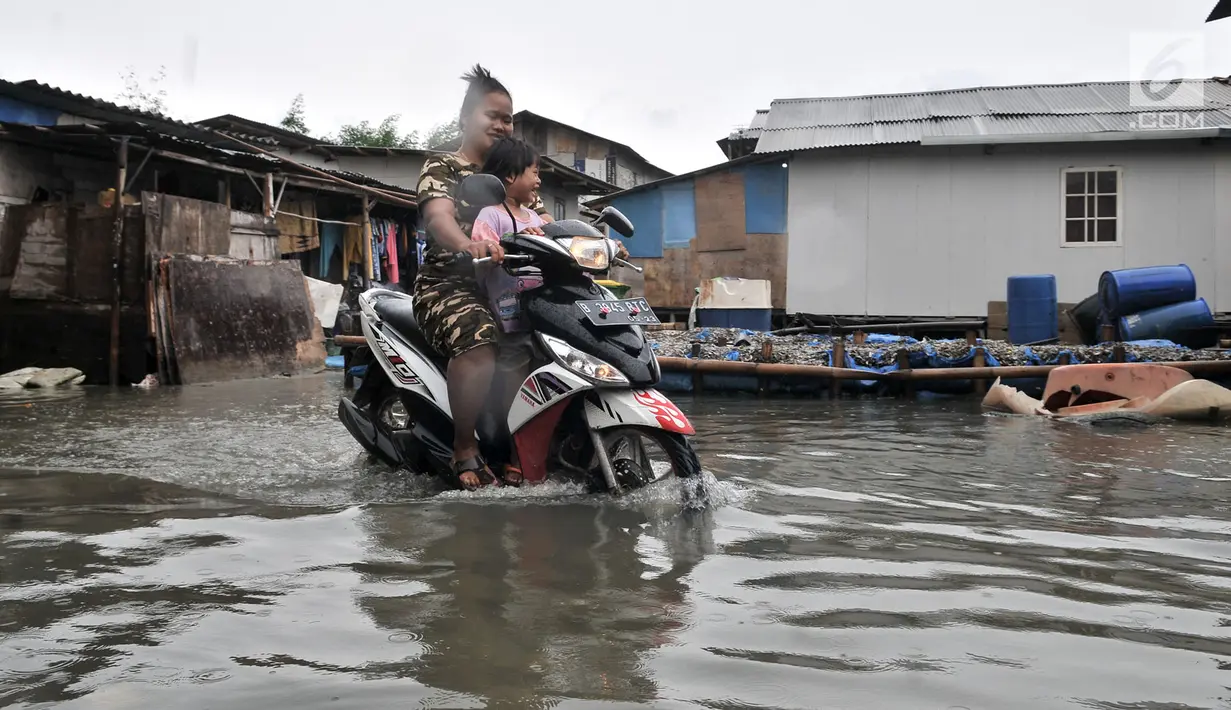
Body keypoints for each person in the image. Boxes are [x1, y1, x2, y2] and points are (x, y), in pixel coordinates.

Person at [413, 65, 551, 491]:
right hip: (450, 285)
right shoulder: (445, 166)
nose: (502, 125)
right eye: (492, 115)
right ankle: (463, 445)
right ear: (465, 117)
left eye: (508, 119)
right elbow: (438, 216)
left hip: (513, 286)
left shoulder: (513, 172)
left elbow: (545, 220)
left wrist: (591, 242)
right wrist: (467, 244)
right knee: (480, 336)